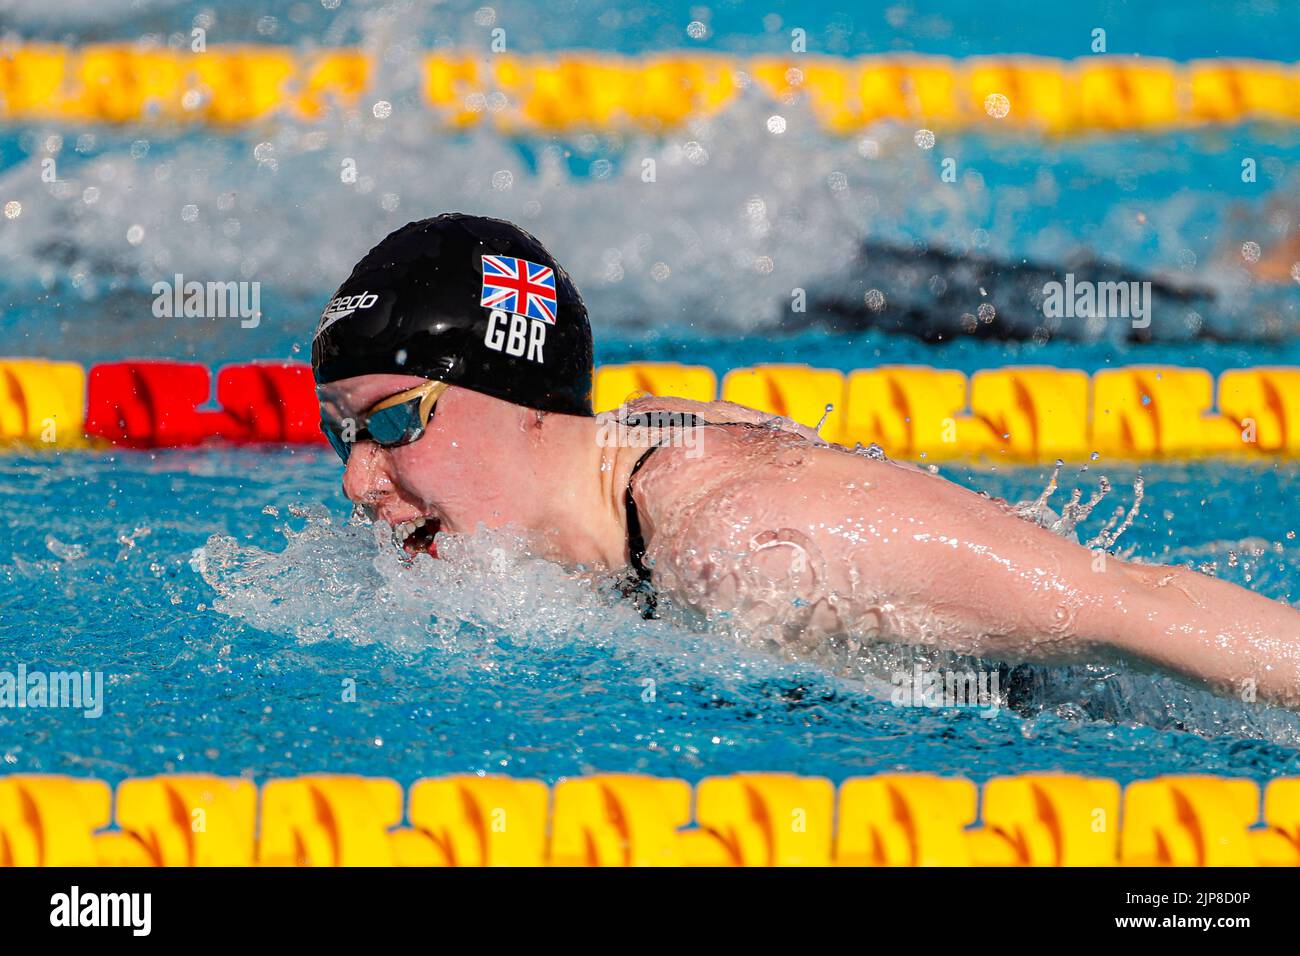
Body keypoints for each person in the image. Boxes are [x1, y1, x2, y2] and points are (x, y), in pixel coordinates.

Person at [313, 213, 1300, 706]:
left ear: (528, 401)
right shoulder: (619, 467)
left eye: (395, 422)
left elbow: (1121, 601)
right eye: (342, 433)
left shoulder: (750, 540)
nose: (361, 481)